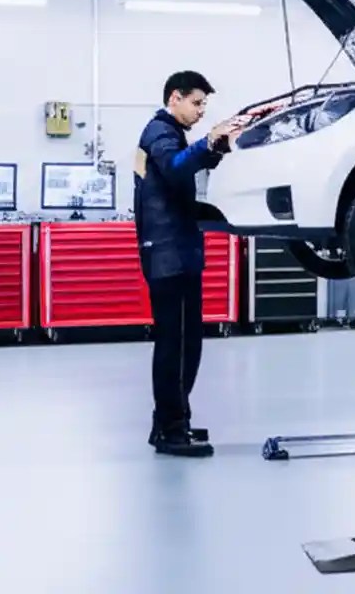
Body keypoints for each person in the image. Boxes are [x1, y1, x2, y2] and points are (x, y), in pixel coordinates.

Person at [135, 70, 241, 457]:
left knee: (184, 344)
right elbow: (176, 166)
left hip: (175, 250)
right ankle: (171, 431)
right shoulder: (159, 133)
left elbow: (182, 171)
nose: (200, 111)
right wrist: (209, 141)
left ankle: (169, 421)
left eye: (204, 106)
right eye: (196, 103)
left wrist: (216, 147)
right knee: (176, 346)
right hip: (169, 254)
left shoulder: (169, 134)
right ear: (174, 98)